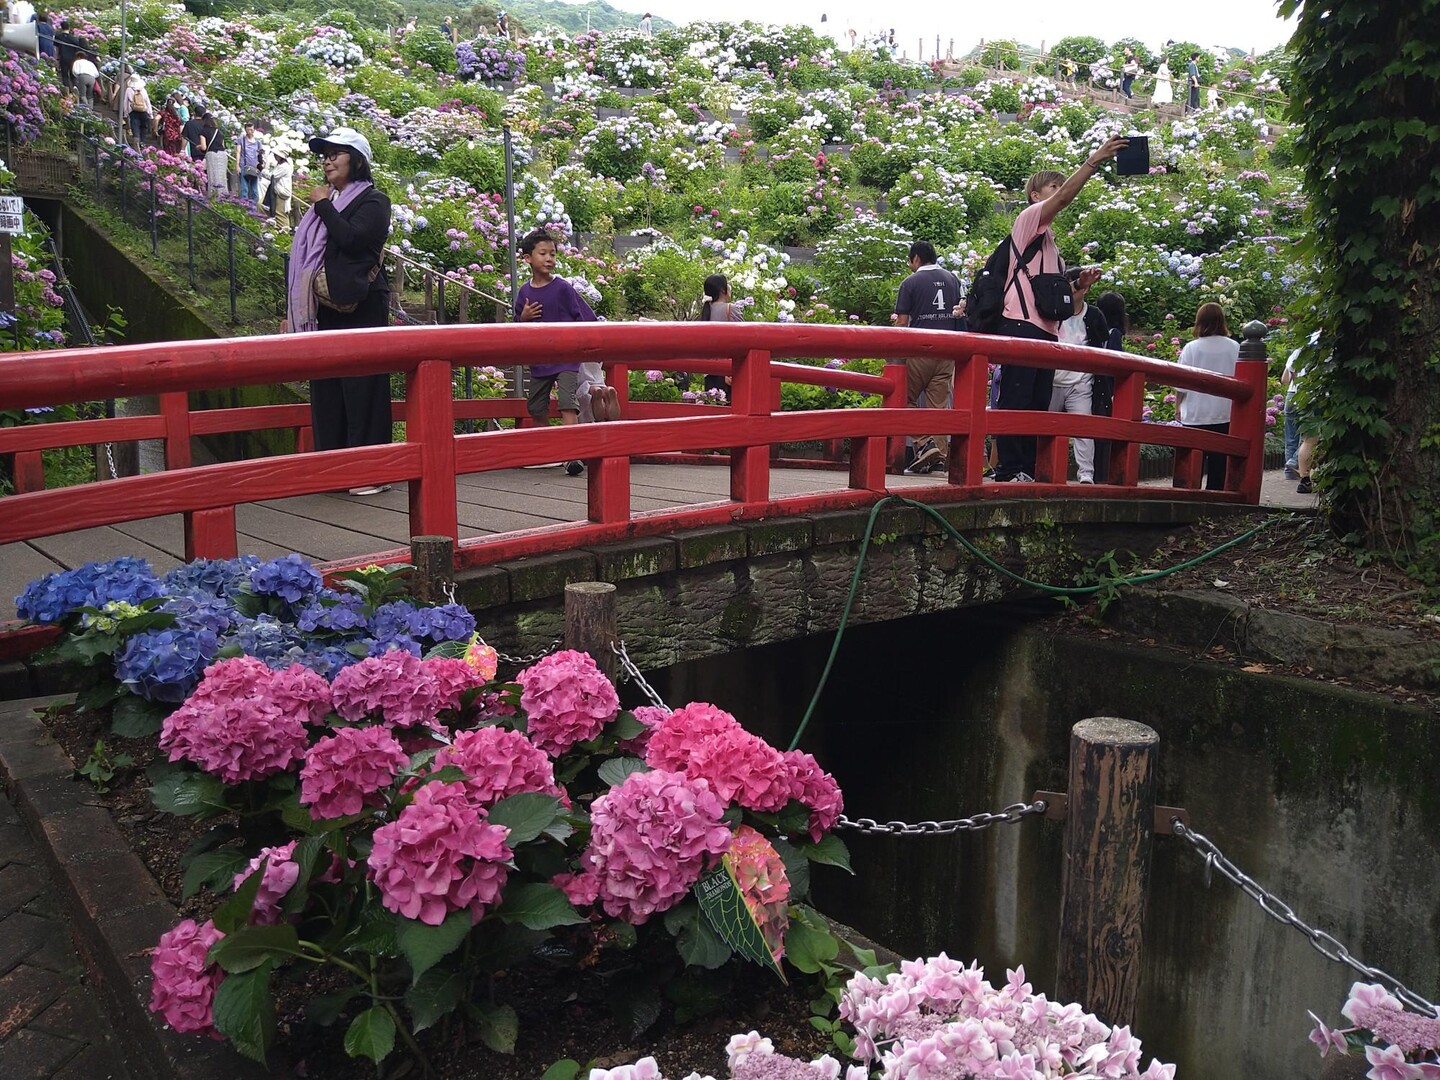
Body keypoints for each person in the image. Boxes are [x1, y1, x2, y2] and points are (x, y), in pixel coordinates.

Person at [992, 135, 1128, 483]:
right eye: (1053, 186)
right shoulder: (1027, 221)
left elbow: (1056, 298)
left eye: (1059, 184)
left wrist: (1079, 288)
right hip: (1020, 324)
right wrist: (1094, 160)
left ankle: (1026, 470)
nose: (1060, 190)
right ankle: (1009, 471)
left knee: (1036, 403)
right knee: (1017, 399)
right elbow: (1067, 197)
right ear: (1036, 196)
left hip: (1045, 330)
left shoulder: (1051, 244)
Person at [285, 128, 393, 497]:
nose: (327, 160)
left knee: (363, 386)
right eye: (325, 154)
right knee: (327, 387)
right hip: (324, 306)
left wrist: (323, 205)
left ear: (357, 160)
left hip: (362, 305)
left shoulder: (375, 201)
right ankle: (331, 468)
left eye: (336, 154)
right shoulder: (328, 200)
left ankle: (370, 471)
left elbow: (351, 239)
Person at [515, 227, 598, 477]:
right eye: (543, 253)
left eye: (552, 253)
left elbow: (583, 318)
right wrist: (524, 317)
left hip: (566, 359)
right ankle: (550, 452)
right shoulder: (524, 292)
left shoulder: (562, 288)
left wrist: (583, 344)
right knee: (536, 407)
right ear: (528, 258)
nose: (549, 258)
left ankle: (571, 455)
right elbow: (515, 328)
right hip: (540, 360)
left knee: (566, 403)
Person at [893, 240, 962, 475]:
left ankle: (923, 443)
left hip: (921, 350)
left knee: (904, 398)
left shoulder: (910, 282)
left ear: (916, 259)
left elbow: (902, 323)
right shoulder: (953, 279)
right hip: (947, 352)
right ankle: (939, 460)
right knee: (939, 407)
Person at [1050, 267, 1107, 483]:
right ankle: (1042, 469)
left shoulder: (1093, 315)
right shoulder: (1053, 313)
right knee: (1046, 427)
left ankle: (1086, 474)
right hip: (1052, 380)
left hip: (1081, 381)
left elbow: (1102, 346)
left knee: (1084, 428)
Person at [1176, 302, 1240, 491]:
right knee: (1219, 463)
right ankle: (1216, 497)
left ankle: (1190, 495)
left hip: (1196, 412)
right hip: (1225, 411)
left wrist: (1177, 406)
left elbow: (1181, 382)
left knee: (1193, 461)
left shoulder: (1191, 348)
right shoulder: (1234, 347)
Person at [700, 273, 743, 404]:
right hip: (728, 372)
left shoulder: (705, 311)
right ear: (722, 290)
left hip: (709, 372)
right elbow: (742, 340)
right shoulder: (731, 309)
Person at [120, 66, 152, 148]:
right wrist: (150, 113)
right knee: (144, 127)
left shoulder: (129, 90)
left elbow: (125, 102)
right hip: (143, 110)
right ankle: (142, 143)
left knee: (135, 127)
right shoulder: (143, 90)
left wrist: (126, 113)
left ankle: (136, 143)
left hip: (133, 111)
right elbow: (147, 101)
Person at [235, 120, 265, 204]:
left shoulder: (258, 142)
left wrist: (261, 165)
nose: (250, 132)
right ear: (245, 130)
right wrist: (237, 165)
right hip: (244, 166)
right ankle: (243, 206)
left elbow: (260, 155)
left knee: (255, 191)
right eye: (248, 130)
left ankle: (253, 209)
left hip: (254, 168)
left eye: (251, 130)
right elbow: (238, 152)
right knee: (244, 189)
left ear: (254, 130)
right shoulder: (241, 140)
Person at [263, 147, 294, 227]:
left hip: (282, 194)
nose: (274, 156)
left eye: (276, 155)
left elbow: (272, 176)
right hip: (277, 192)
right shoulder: (280, 165)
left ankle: (284, 233)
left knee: (280, 215)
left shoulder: (285, 167)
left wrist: (262, 170)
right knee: (261, 205)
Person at [201, 111, 228, 196]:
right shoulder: (219, 131)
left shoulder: (203, 131)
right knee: (222, 176)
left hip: (212, 154)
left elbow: (204, 147)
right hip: (223, 155)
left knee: (213, 176)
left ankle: (214, 196)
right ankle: (224, 195)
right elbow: (223, 145)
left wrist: (198, 147)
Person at [54, 17, 78, 87]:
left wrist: (57, 59)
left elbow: (56, 48)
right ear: (69, 28)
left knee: (64, 75)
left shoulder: (58, 37)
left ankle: (66, 91)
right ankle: (75, 87)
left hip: (63, 57)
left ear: (61, 28)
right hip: (72, 59)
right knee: (72, 75)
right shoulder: (73, 38)